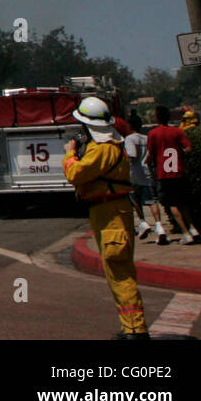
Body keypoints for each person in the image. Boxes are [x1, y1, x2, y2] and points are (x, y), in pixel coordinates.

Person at [63, 96, 148, 340]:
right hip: (109, 212)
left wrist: (70, 154)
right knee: (117, 273)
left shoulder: (103, 149)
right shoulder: (109, 146)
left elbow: (75, 173)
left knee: (120, 275)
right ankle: (130, 327)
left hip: (110, 215)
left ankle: (136, 331)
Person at [147, 104, 201, 245]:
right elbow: (188, 148)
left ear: (157, 117)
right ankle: (192, 228)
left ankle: (185, 232)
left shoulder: (153, 134)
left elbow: (150, 156)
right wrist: (179, 154)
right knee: (183, 203)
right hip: (178, 172)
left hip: (164, 175)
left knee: (172, 205)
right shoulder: (177, 132)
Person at [123, 116, 164, 242]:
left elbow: (132, 155)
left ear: (130, 126)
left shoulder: (130, 139)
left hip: (135, 173)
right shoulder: (147, 138)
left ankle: (142, 222)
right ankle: (158, 226)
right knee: (152, 201)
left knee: (135, 200)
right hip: (147, 173)